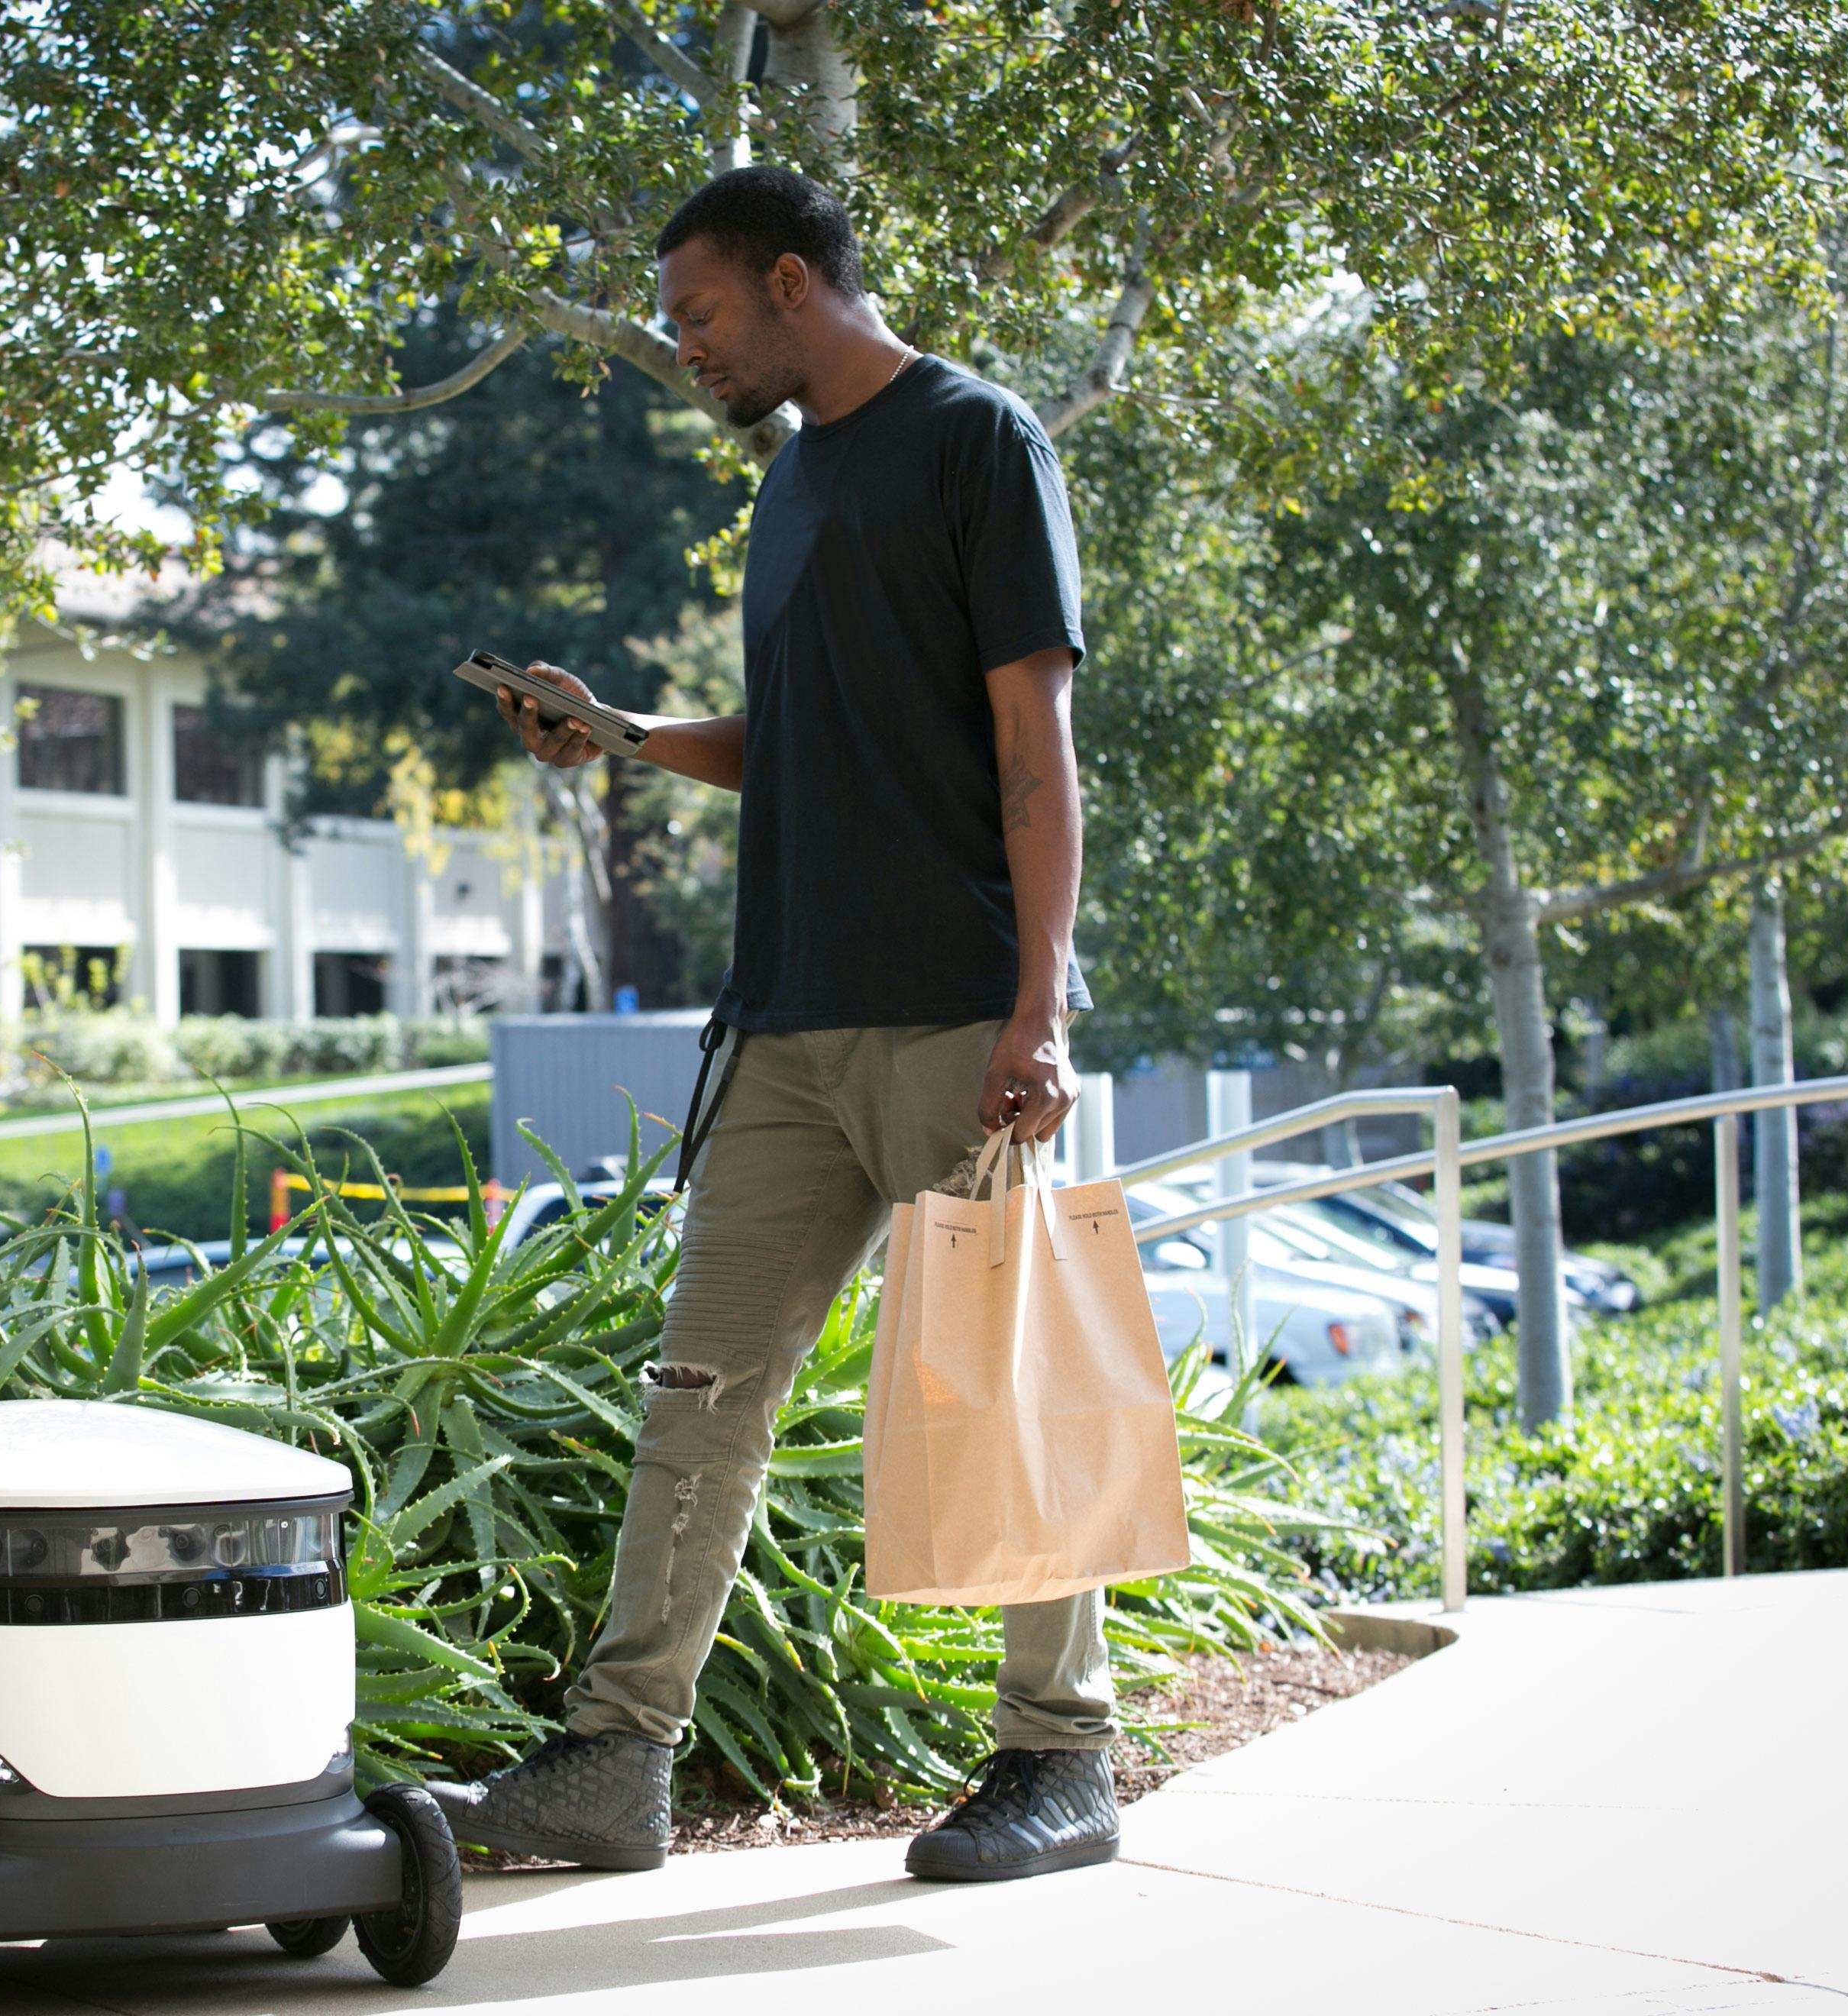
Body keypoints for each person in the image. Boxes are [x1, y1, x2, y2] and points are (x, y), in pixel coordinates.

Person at [430, 165, 1110, 1883]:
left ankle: (1062, 1759)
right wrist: (628, 729)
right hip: (790, 1018)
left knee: (987, 1389)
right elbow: (800, 734)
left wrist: (1041, 1005)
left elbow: (1035, 746)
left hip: (962, 1015)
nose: (688, 350)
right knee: (699, 1390)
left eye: (703, 316)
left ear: (796, 282)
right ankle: (614, 1761)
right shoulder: (794, 481)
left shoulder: (980, 441)